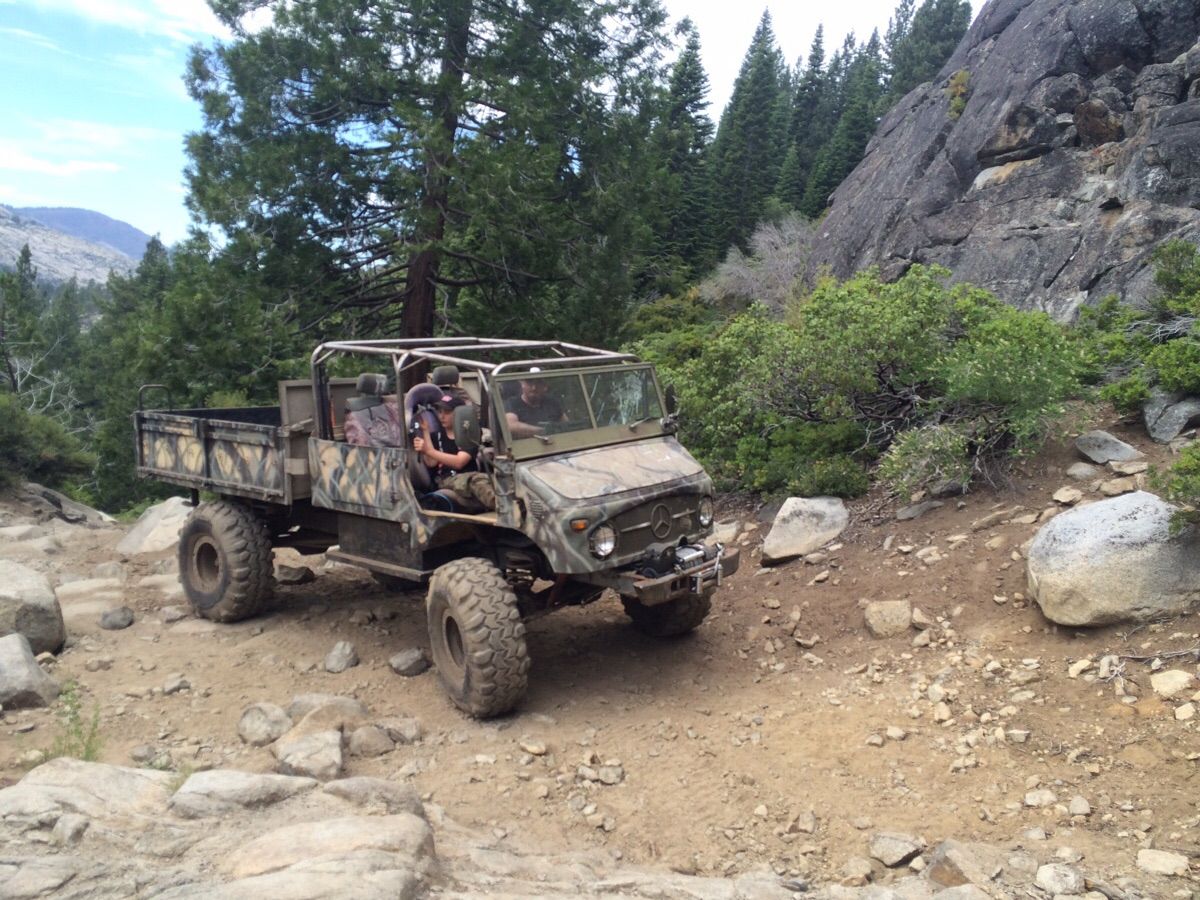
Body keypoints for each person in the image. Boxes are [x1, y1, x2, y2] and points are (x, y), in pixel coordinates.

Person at [412, 394, 496, 511]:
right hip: (447, 479)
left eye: (447, 412)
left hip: (470, 476)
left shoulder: (470, 433)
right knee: (476, 481)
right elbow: (431, 462)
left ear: (459, 414)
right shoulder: (437, 436)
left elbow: (459, 462)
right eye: (439, 412)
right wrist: (425, 432)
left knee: (495, 480)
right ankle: (502, 507)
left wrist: (429, 450)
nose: (441, 416)